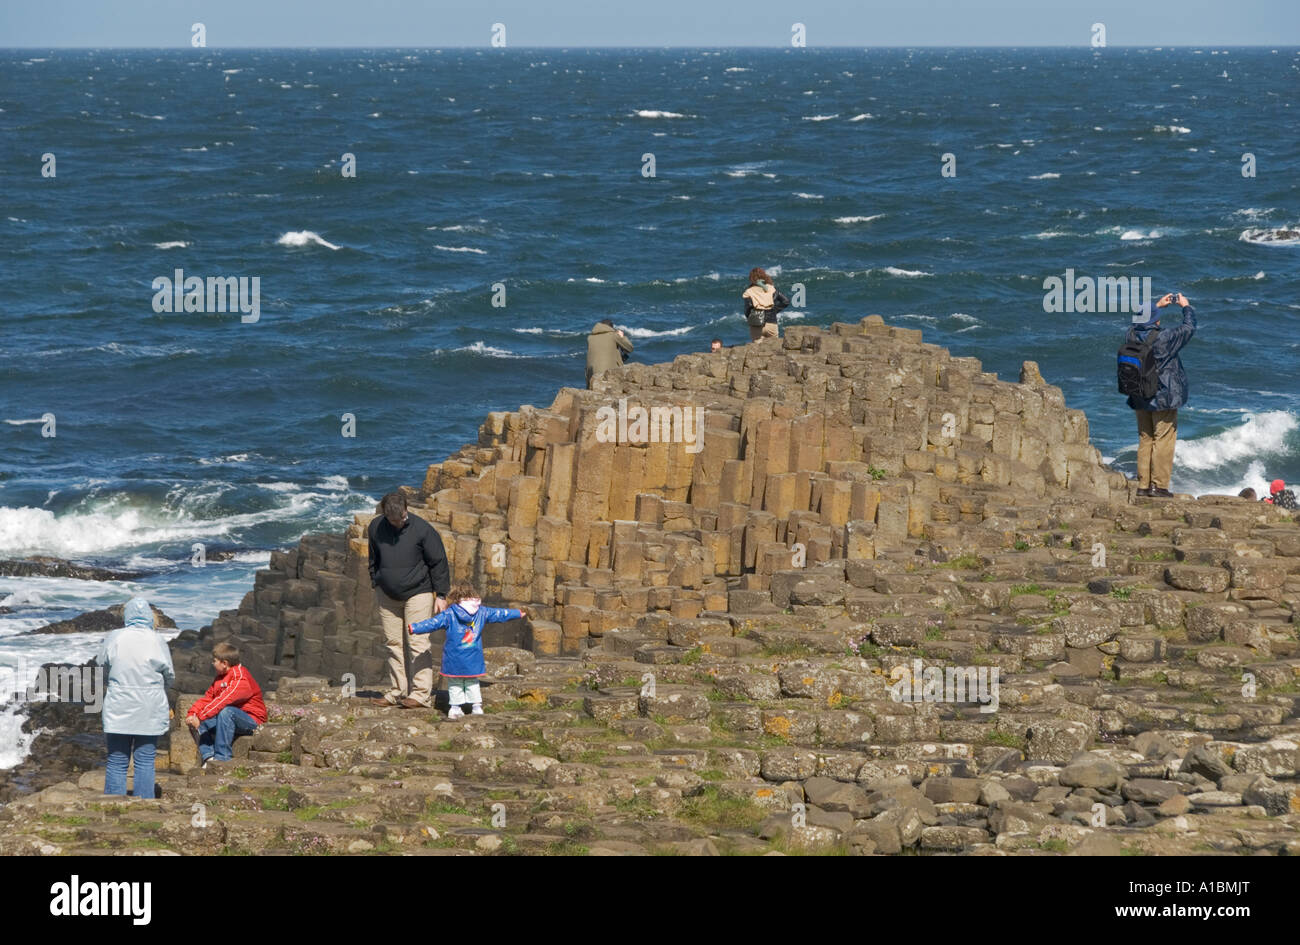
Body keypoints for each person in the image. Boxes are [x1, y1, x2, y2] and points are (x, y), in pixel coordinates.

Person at [367, 492, 450, 708]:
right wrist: (376, 580)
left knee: (418, 642)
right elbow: (373, 558)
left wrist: (441, 595)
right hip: (387, 594)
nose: (400, 522)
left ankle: (420, 694)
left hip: (419, 592)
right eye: (395, 520)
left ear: (406, 509)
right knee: (393, 643)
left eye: (403, 517)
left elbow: (439, 562)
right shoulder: (376, 528)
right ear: (386, 515)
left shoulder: (423, 529)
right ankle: (397, 691)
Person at [409, 580, 527, 719]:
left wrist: (415, 627)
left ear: (455, 596)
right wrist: (517, 613)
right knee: (472, 682)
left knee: (455, 683)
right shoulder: (482, 611)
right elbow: (500, 614)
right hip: (473, 657)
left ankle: (455, 708)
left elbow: (432, 623)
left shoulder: (449, 613)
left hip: (454, 658)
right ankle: (476, 707)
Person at [98, 596, 174, 798]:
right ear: (149, 616)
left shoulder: (115, 637)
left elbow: (102, 666)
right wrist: (160, 690)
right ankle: (144, 805)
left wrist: (113, 682)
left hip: (119, 704)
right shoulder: (157, 640)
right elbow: (169, 674)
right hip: (150, 706)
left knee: (117, 760)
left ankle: (113, 805)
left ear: (127, 616)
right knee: (145, 760)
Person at [1125, 293, 1197, 498]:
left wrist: (1156, 306)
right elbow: (1188, 328)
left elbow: (1138, 322)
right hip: (1163, 395)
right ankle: (1159, 486)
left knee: (1145, 438)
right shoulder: (1164, 338)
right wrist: (1186, 306)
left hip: (1139, 393)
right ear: (1156, 320)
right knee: (1163, 439)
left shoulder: (1130, 335)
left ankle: (1143, 485)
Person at [185, 642, 267, 767]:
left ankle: (222, 758)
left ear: (224, 663)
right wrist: (193, 714)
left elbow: (224, 700)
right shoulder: (220, 678)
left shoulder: (240, 677)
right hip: (230, 720)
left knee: (227, 711)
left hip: (252, 720)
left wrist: (200, 716)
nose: (212, 664)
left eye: (214, 661)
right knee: (197, 721)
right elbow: (208, 699)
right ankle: (208, 757)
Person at [742, 267, 789, 342]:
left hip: (757, 324)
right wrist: (774, 310)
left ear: (751, 278)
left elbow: (748, 308)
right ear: (764, 276)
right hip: (772, 323)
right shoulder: (771, 288)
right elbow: (785, 301)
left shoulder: (749, 291)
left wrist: (751, 317)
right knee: (774, 347)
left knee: (757, 350)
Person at [586, 318, 633, 388]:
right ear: (611, 327)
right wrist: (622, 337)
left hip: (591, 376)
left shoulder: (590, 338)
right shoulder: (613, 335)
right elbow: (629, 348)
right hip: (608, 375)